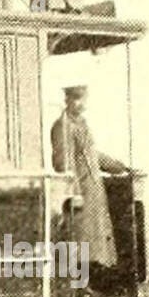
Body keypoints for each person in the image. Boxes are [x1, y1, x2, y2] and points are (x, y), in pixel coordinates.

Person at [50, 85, 130, 283]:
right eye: (76, 98)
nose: (81, 103)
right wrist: (74, 194)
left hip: (92, 193)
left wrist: (121, 167)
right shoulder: (62, 126)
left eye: (83, 98)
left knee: (92, 243)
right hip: (80, 194)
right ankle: (78, 288)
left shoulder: (82, 124)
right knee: (79, 241)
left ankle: (89, 285)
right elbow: (64, 163)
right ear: (67, 99)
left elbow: (93, 155)